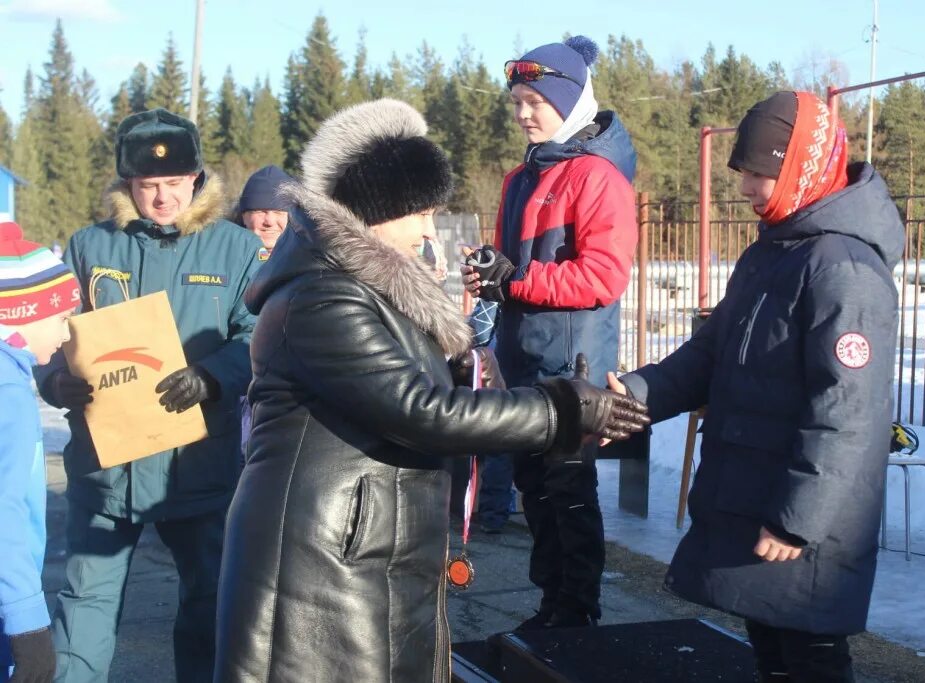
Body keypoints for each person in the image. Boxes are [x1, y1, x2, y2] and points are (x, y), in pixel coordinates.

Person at [213, 99, 649, 683]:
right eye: (418, 212)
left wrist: (460, 364)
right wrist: (561, 408)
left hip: (367, 550)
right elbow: (421, 412)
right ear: (376, 206)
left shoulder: (358, 284)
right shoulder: (321, 296)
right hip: (319, 569)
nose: (426, 228)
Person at [615, 91, 905, 682]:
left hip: (807, 518)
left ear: (801, 166)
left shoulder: (843, 269)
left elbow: (847, 412)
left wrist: (798, 518)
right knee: (772, 649)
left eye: (758, 175)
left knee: (809, 655)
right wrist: (633, 399)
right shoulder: (772, 252)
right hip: (756, 489)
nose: (745, 189)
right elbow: (709, 354)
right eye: (743, 174)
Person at [35, 108, 264, 683]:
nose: (162, 198)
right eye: (148, 186)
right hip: (105, 470)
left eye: (173, 184)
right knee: (83, 608)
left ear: (196, 179)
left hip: (198, 466)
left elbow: (257, 336)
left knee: (208, 606)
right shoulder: (89, 247)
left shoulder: (235, 250)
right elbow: (53, 333)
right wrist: (55, 382)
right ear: (127, 185)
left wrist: (211, 376)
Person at [462, 35, 639, 628]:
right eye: (516, 102)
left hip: (574, 371)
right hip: (523, 362)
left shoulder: (598, 178)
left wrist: (516, 280)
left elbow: (603, 277)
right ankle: (550, 606)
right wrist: (490, 275)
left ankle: (577, 613)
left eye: (534, 101)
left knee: (569, 497)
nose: (522, 114)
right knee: (534, 492)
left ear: (568, 100)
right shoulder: (521, 178)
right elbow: (516, 271)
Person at [0, 222, 80, 683]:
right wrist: (28, 627)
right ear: (22, 314)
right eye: (61, 317)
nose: (67, 334)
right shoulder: (8, 392)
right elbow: (4, 514)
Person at [234, 164, 292, 257]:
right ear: (244, 216)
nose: (269, 221)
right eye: (260, 211)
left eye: (279, 212)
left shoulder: (313, 264)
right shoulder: (225, 259)